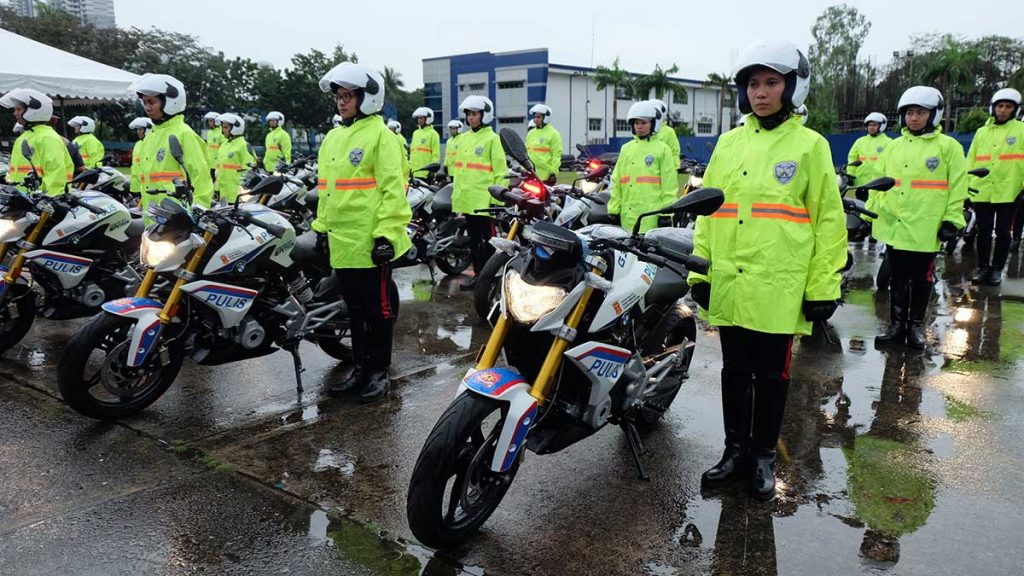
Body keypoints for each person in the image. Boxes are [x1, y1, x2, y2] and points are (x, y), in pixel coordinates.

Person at [688, 40, 847, 501]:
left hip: (781, 286)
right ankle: (734, 452)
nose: (761, 92)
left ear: (792, 87)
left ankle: (762, 457)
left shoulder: (810, 146)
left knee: (772, 377)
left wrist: (823, 284)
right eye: (753, 84)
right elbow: (709, 210)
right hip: (732, 284)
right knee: (734, 372)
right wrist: (701, 271)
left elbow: (829, 222)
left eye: (771, 83)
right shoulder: (729, 143)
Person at [316, 62, 412, 402]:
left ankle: (378, 374)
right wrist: (321, 229)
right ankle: (359, 370)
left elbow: (394, 188)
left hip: (373, 243)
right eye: (339, 96)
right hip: (343, 242)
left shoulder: (382, 136)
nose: (341, 102)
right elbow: (325, 189)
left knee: (379, 311)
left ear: (367, 97)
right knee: (355, 311)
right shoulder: (333, 137)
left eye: (348, 96)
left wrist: (386, 235)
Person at [871, 86, 967, 349]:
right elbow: (878, 183)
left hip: (927, 226)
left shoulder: (949, 147)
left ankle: (915, 327)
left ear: (933, 115)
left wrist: (952, 220)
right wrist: (875, 212)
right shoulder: (893, 147)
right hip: (897, 225)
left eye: (921, 112)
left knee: (923, 279)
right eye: (910, 113)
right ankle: (896, 325)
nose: (914, 118)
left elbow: (958, 186)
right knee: (898, 277)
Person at [130, 73, 213, 219]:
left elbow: (200, 174)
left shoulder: (184, 133)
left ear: (169, 101)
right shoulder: (150, 137)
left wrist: (200, 206)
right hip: (152, 214)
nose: (147, 108)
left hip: (176, 214)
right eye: (144, 103)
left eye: (151, 102)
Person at [965, 88, 1024, 286]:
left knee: (1003, 231)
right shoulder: (982, 132)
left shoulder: (1021, 130)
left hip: (1009, 190)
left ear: (1015, 110)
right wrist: (966, 187)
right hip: (982, 189)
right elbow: (970, 160)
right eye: (1000, 106)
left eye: (1008, 107)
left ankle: (997, 269)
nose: (1003, 110)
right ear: (993, 107)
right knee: (983, 231)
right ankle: (983, 268)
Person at [451, 95, 507, 291]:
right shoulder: (464, 138)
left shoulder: (493, 139)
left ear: (485, 115)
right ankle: (477, 276)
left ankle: (488, 277)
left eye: (474, 114)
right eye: (468, 114)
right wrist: (457, 198)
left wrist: (496, 201)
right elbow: (460, 171)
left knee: (488, 242)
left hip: (485, 200)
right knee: (474, 242)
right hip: (468, 201)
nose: (470, 118)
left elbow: (500, 172)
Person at [607, 101, 678, 233]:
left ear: (653, 124)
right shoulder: (626, 149)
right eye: (636, 123)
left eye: (643, 123)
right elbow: (616, 182)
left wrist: (666, 214)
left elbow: (669, 187)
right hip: (627, 217)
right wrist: (613, 210)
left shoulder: (663, 150)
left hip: (650, 217)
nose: (639, 126)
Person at [0, 88, 74, 195]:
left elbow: (56, 174)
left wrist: (48, 200)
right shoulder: (24, 137)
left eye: (18, 109)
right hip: (21, 198)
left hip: (39, 202)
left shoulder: (48, 137)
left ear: (34, 111)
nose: (15, 113)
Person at [847, 112, 893, 204]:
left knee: (875, 207)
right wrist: (850, 174)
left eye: (874, 125)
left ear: (881, 126)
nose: (871, 127)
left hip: (878, 183)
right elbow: (852, 158)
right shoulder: (860, 141)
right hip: (860, 182)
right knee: (859, 206)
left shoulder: (889, 142)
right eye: (869, 125)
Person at [214, 113, 255, 205]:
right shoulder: (224, 145)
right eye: (222, 127)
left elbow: (249, 172)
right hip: (223, 193)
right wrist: (216, 189)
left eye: (225, 127)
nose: (222, 130)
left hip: (237, 193)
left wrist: (243, 194)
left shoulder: (244, 145)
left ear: (235, 128)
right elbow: (219, 170)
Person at [525, 104, 563, 184]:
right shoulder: (531, 133)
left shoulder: (553, 134)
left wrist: (553, 172)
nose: (535, 119)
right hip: (531, 174)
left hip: (546, 175)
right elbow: (526, 153)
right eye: (535, 117)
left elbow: (556, 155)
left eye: (538, 117)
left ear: (545, 118)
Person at [649, 98, 681, 172]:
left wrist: (673, 168)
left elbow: (675, 151)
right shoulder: (645, 129)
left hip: (664, 169)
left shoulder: (669, 131)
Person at [409, 107, 440, 177]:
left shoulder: (433, 134)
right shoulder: (415, 133)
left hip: (426, 173)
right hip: (415, 172)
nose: (419, 120)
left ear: (428, 119)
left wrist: (432, 171)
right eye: (418, 118)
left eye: (421, 118)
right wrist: (410, 168)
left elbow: (436, 154)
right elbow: (412, 153)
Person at [128, 117, 153, 195]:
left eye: (140, 129)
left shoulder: (152, 144)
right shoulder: (138, 144)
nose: (138, 132)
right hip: (136, 185)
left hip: (147, 186)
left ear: (148, 130)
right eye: (137, 130)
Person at [202, 111, 223, 179]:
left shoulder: (221, 133)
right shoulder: (209, 133)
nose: (209, 123)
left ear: (217, 122)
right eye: (208, 121)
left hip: (218, 164)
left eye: (211, 121)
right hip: (210, 163)